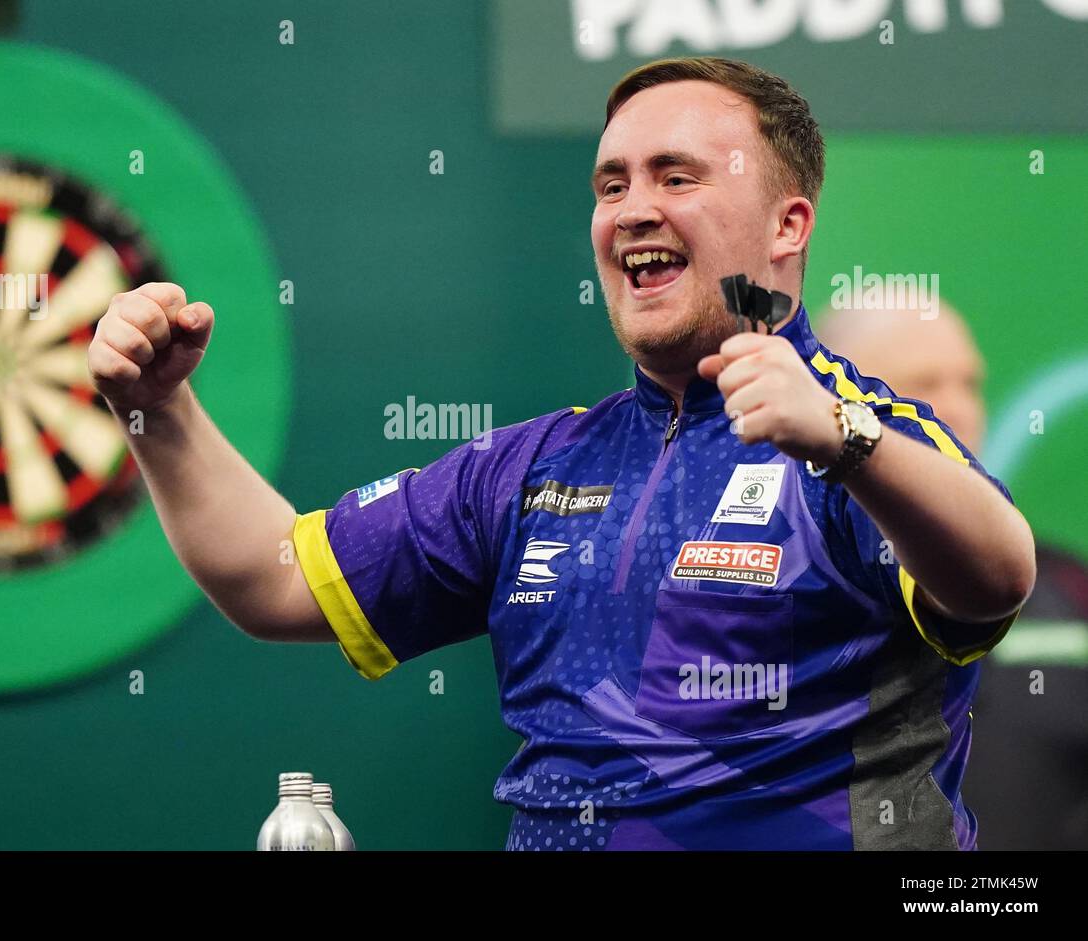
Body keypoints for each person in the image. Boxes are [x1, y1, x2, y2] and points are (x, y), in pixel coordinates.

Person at [87, 57, 1035, 850]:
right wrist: (160, 414)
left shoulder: (863, 437)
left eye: (676, 176)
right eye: (611, 184)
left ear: (789, 225)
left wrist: (843, 441)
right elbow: (274, 578)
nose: (631, 209)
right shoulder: (534, 467)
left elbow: (996, 575)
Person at [819, 300, 1088, 850]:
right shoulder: (770, 594)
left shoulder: (1070, 589)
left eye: (970, 384)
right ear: (832, 411)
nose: (959, 409)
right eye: (923, 387)